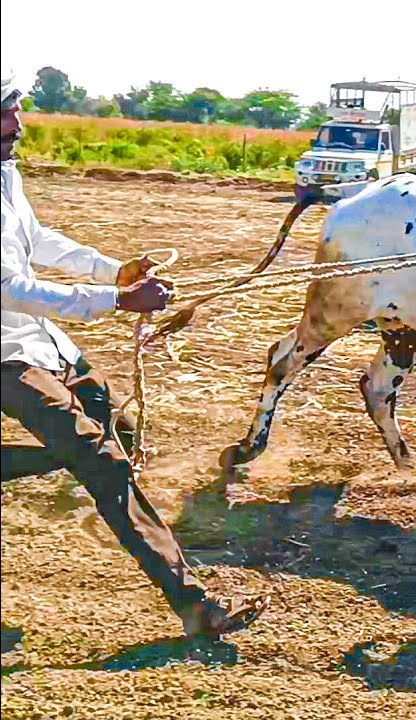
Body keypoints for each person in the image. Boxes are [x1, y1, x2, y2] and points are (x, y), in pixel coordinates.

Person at [0, 77, 269, 636]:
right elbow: (7, 287)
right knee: (102, 459)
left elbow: (34, 238)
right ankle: (194, 603)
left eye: (16, 111)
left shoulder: (6, 173)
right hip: (6, 357)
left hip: (39, 339)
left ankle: (70, 457)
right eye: (3, 116)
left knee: (116, 430)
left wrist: (109, 269)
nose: (17, 125)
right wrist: (115, 299)